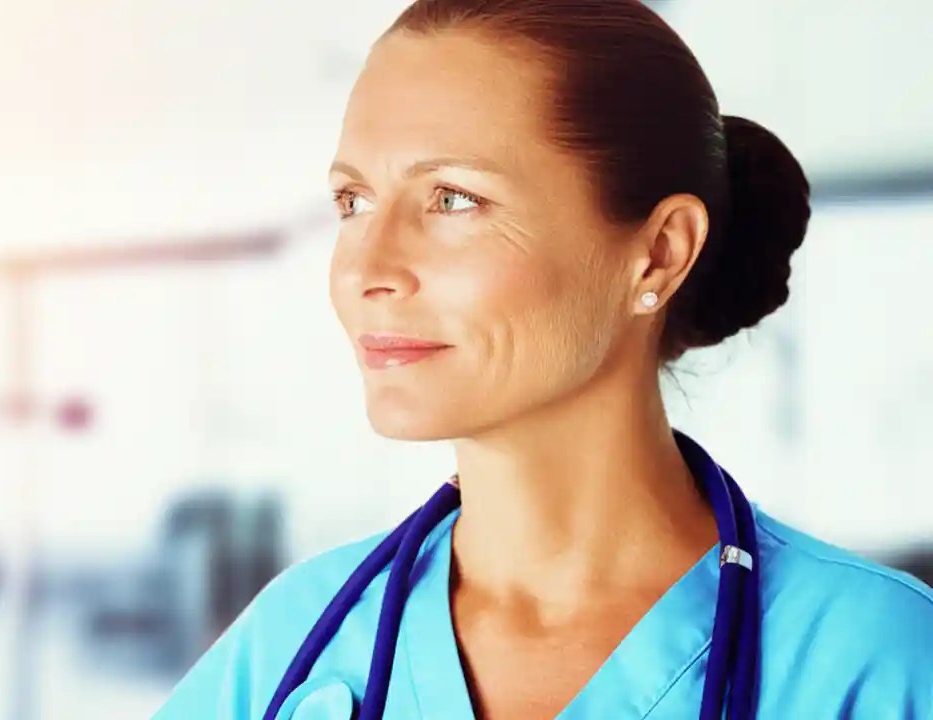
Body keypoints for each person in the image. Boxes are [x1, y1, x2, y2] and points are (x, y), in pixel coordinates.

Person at [154, 1, 933, 717]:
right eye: (353, 202)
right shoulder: (296, 644)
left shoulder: (875, 659)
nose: (364, 270)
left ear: (659, 255)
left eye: (453, 199)